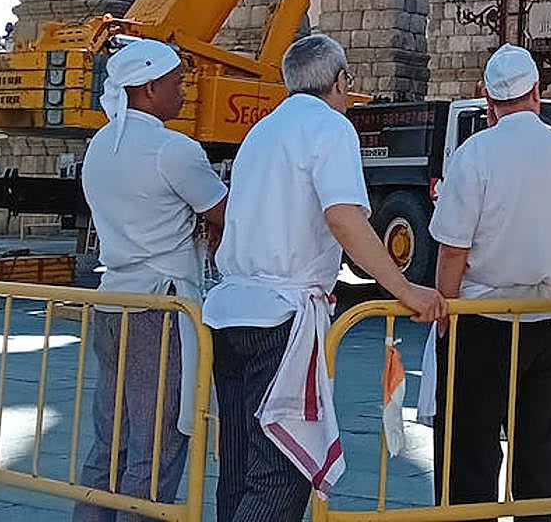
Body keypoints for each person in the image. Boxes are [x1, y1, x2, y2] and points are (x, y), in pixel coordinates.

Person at [203, 34, 446, 522]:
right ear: (340, 82)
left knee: (240, 464)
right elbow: (345, 218)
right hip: (281, 315)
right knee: (281, 472)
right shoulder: (331, 128)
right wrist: (404, 287)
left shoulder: (261, 132)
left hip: (230, 310)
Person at [74, 38, 229, 520]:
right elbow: (226, 213)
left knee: (110, 441)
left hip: (112, 300)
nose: (183, 91)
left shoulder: (101, 144)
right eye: (176, 82)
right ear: (147, 88)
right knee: (156, 446)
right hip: (160, 308)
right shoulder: (172, 149)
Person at [429, 45, 551, 522]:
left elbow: (452, 249)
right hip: (550, 317)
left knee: (470, 454)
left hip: (482, 318)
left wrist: (444, 315)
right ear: (537, 92)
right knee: (539, 454)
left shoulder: (475, 153)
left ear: (488, 102)